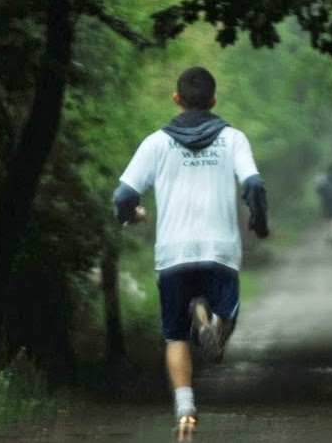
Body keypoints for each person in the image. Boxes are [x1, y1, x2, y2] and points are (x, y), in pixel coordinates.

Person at [113, 66, 269, 432]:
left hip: (173, 252)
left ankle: (185, 410)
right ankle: (212, 323)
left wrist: (131, 215)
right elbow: (254, 184)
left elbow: (123, 195)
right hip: (220, 249)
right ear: (213, 100)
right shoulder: (232, 139)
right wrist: (259, 222)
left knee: (175, 334)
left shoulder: (156, 143)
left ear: (176, 99)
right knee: (227, 316)